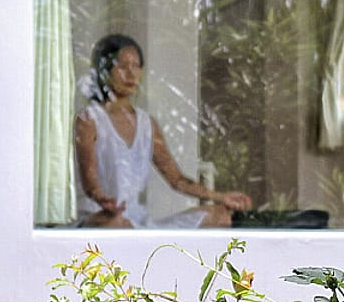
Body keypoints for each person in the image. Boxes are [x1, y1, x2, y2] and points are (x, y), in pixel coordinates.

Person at [74, 33, 252, 228]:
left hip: (136, 221)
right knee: (117, 223)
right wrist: (103, 200)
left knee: (219, 216)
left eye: (136, 66)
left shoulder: (146, 124)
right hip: (101, 217)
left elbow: (177, 180)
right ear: (104, 71)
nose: (131, 74)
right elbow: (90, 185)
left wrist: (222, 197)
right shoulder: (90, 119)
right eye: (122, 66)